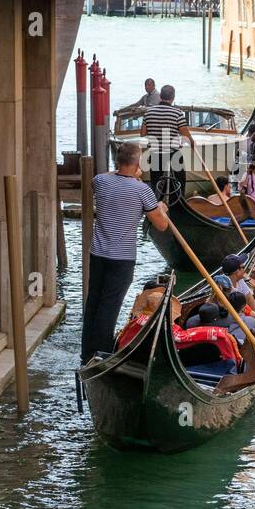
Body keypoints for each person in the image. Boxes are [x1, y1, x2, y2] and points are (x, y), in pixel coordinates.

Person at [81, 142, 170, 363]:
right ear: (138, 163)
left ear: (118, 161)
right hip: (121, 258)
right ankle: (100, 355)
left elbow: (109, 176)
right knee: (110, 306)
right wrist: (162, 209)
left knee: (94, 301)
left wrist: (128, 171)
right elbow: (161, 226)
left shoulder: (100, 181)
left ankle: (87, 352)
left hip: (98, 254)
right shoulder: (143, 191)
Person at [142, 85, 194, 194]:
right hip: (172, 153)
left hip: (156, 152)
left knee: (156, 181)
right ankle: (180, 198)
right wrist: (192, 143)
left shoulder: (148, 112)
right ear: (173, 97)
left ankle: (156, 203)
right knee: (179, 180)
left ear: (160, 96)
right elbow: (185, 134)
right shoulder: (177, 113)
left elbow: (143, 133)